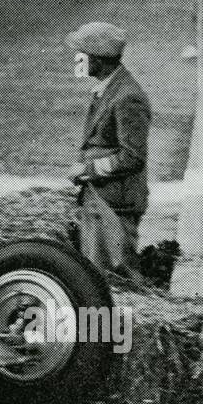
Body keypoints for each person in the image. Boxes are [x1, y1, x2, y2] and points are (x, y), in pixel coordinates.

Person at [65, 21, 152, 272]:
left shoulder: (127, 97)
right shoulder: (108, 89)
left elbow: (133, 157)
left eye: (82, 56)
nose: (77, 61)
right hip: (103, 197)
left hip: (115, 203)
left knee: (112, 274)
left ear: (99, 60)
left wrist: (88, 169)